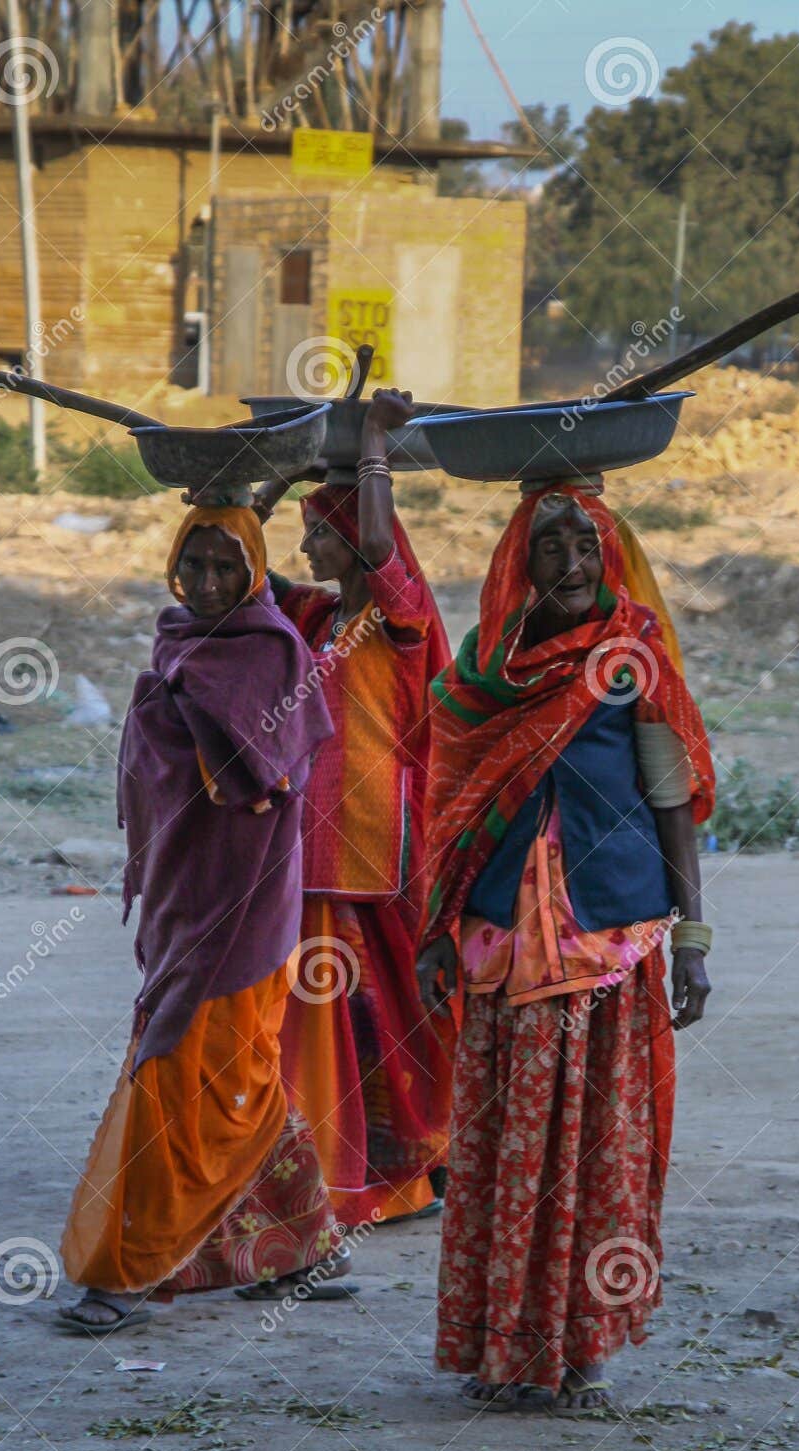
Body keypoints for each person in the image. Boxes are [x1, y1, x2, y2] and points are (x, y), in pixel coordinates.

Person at [416, 482, 715, 1413]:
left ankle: (580, 1350)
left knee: (596, 1151)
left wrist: (694, 940)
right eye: (552, 549)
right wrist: (436, 934)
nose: (574, 566)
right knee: (501, 1148)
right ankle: (499, 1345)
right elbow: (451, 812)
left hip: (605, 936)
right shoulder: (482, 673)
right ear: (518, 563)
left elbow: (671, 797)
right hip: (502, 938)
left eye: (588, 547)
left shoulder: (633, 659)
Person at [59, 504, 339, 1333]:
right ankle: (295, 1243)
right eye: (196, 565)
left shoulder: (268, 649)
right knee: (238, 1076)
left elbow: (263, 775)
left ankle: (129, 1268)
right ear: (175, 568)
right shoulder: (177, 640)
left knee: (177, 1066)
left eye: (227, 566)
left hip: (246, 899)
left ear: (254, 570)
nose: (209, 583)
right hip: (186, 894)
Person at [257, 388, 452, 1241]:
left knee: (388, 1011)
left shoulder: (394, 609)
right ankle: (327, 1163)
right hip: (311, 846)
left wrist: (372, 444)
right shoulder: (308, 612)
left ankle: (404, 1162)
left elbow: (378, 542)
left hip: (378, 843)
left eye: (319, 531)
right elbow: (235, 576)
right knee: (319, 1018)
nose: (309, 545)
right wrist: (254, 489)